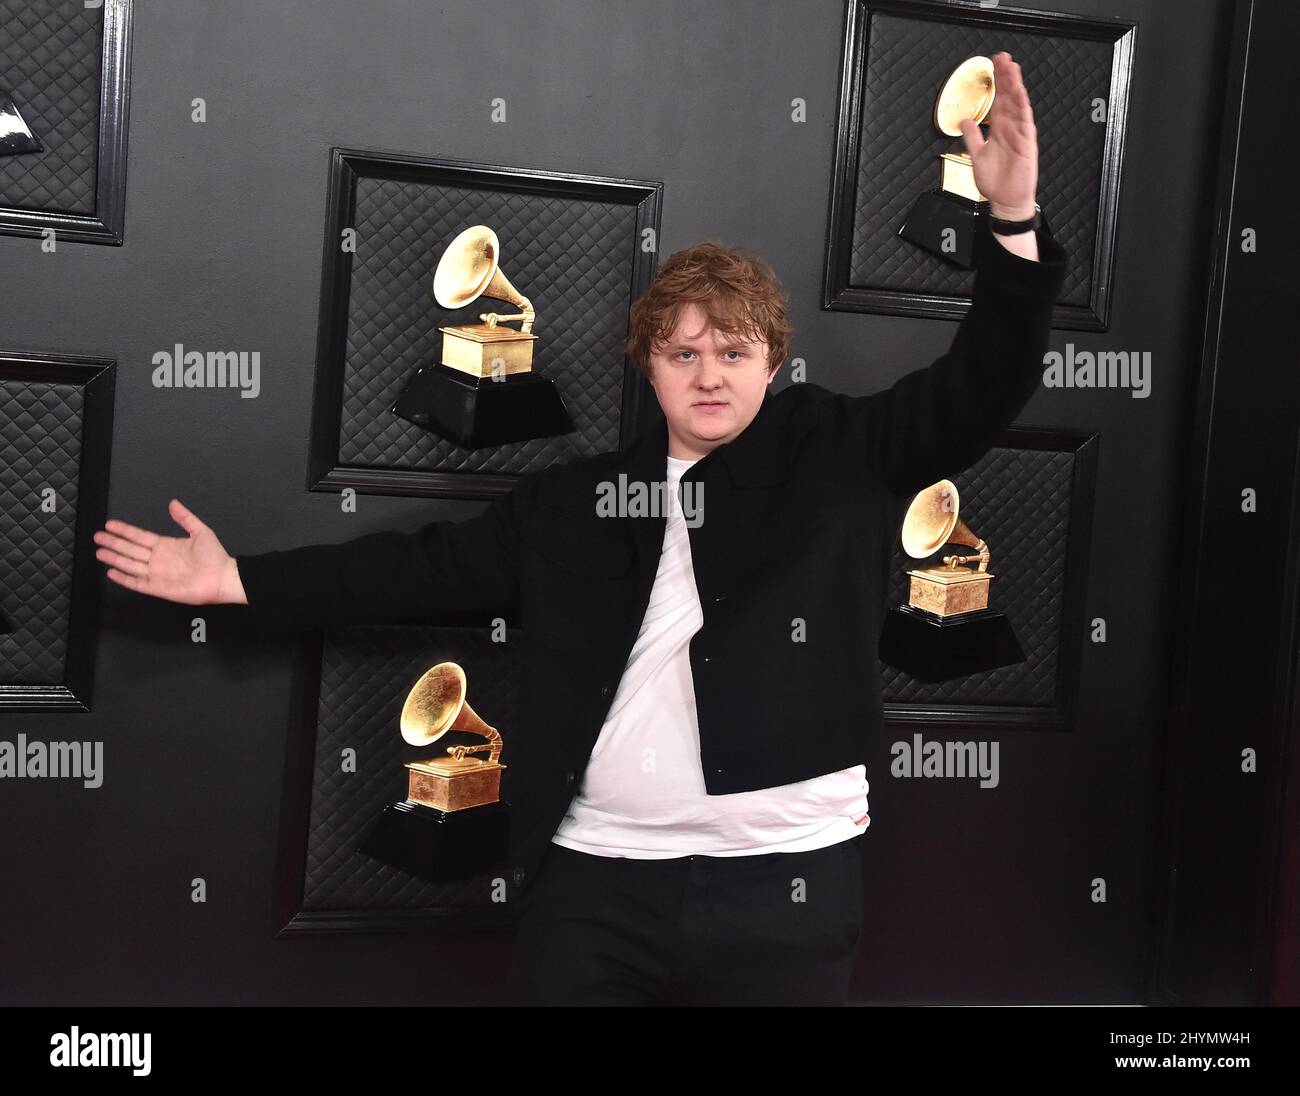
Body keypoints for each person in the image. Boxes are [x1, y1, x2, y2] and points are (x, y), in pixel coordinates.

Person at [94, 52, 1066, 1006]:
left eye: (734, 350)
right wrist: (240, 581)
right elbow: (414, 571)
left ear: (772, 360)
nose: (710, 373)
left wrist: (1011, 217)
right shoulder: (573, 501)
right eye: (683, 352)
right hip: (595, 893)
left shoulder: (843, 450)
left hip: (788, 888)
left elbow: (981, 384)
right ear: (649, 366)